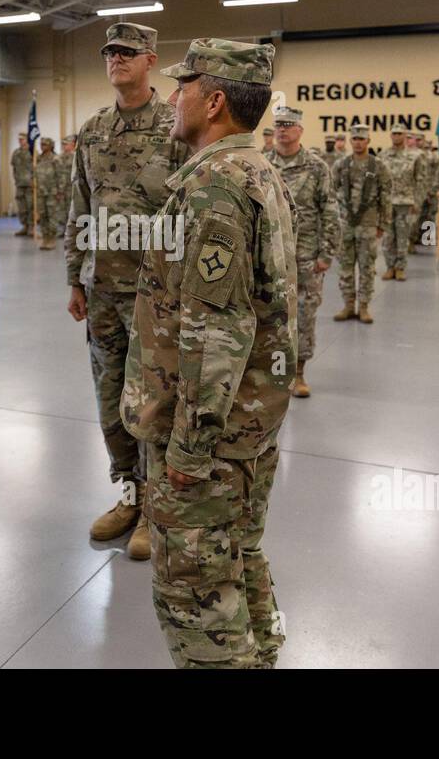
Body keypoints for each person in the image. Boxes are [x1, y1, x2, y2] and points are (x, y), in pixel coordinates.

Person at [120, 37, 294, 669]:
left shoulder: (216, 187)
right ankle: (264, 655)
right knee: (239, 555)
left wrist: (189, 450)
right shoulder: (256, 170)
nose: (173, 96)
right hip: (249, 423)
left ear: (214, 100)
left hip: (209, 436)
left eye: (184, 86)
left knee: (194, 591)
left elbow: (215, 333)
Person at [65, 22, 188, 561]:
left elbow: (192, 213)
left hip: (157, 296)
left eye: (127, 53)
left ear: (150, 61)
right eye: (110, 52)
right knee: (110, 399)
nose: (116, 59)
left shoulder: (176, 130)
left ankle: (156, 509)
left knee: (152, 403)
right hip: (103, 292)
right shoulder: (92, 131)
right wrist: (74, 276)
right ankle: (129, 495)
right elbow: (78, 207)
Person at [267, 106, 338, 396]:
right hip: (269, 256)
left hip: (306, 256)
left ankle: (298, 374)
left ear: (300, 130)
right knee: (270, 315)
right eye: (278, 125)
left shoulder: (316, 167)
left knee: (304, 315)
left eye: (288, 125)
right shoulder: (262, 163)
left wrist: (326, 254)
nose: (282, 130)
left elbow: (330, 211)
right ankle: (273, 372)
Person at [332, 125, 391, 324]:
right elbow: (331, 193)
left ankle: (364, 306)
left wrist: (383, 223)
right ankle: (348, 305)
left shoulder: (378, 166)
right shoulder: (341, 165)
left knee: (367, 267)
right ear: (350, 141)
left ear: (368, 141)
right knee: (346, 267)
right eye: (354, 138)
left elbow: (386, 195)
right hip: (345, 223)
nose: (358, 142)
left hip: (368, 223)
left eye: (361, 139)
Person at [378, 122, 423, 281]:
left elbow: (420, 181)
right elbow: (378, 181)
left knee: (403, 237)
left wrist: (417, 202)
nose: (397, 136)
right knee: (388, 238)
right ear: (391, 136)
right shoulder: (382, 155)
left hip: (405, 202)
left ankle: (400, 268)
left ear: (405, 136)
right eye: (394, 133)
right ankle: (390, 267)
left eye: (400, 133)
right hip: (387, 203)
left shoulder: (415, 156)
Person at [33, 137, 65, 250]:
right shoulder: (39, 159)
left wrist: (60, 191)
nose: (42, 147)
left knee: (52, 216)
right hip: (41, 192)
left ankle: (52, 239)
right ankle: (45, 237)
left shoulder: (55, 159)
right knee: (42, 215)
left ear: (51, 146)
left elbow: (61, 176)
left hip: (52, 192)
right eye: (41, 144)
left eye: (45, 145)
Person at [10, 132, 34, 237]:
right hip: (20, 184)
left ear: (27, 140)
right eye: (19, 139)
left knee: (30, 206)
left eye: (22, 139)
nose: (20, 141)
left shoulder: (32, 152)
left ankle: (31, 227)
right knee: (21, 207)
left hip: (30, 184)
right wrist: (16, 180)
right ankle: (24, 226)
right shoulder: (16, 153)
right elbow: (14, 168)